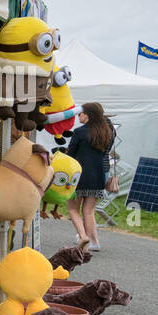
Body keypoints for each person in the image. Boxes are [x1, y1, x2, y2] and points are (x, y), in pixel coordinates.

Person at [63, 101, 115, 251]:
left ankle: (83, 236)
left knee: (73, 209)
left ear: (88, 115)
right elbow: (106, 152)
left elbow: (71, 154)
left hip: (79, 176)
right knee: (89, 211)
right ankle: (94, 242)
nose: (79, 115)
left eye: (81, 113)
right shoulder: (107, 132)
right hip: (98, 176)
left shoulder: (79, 132)